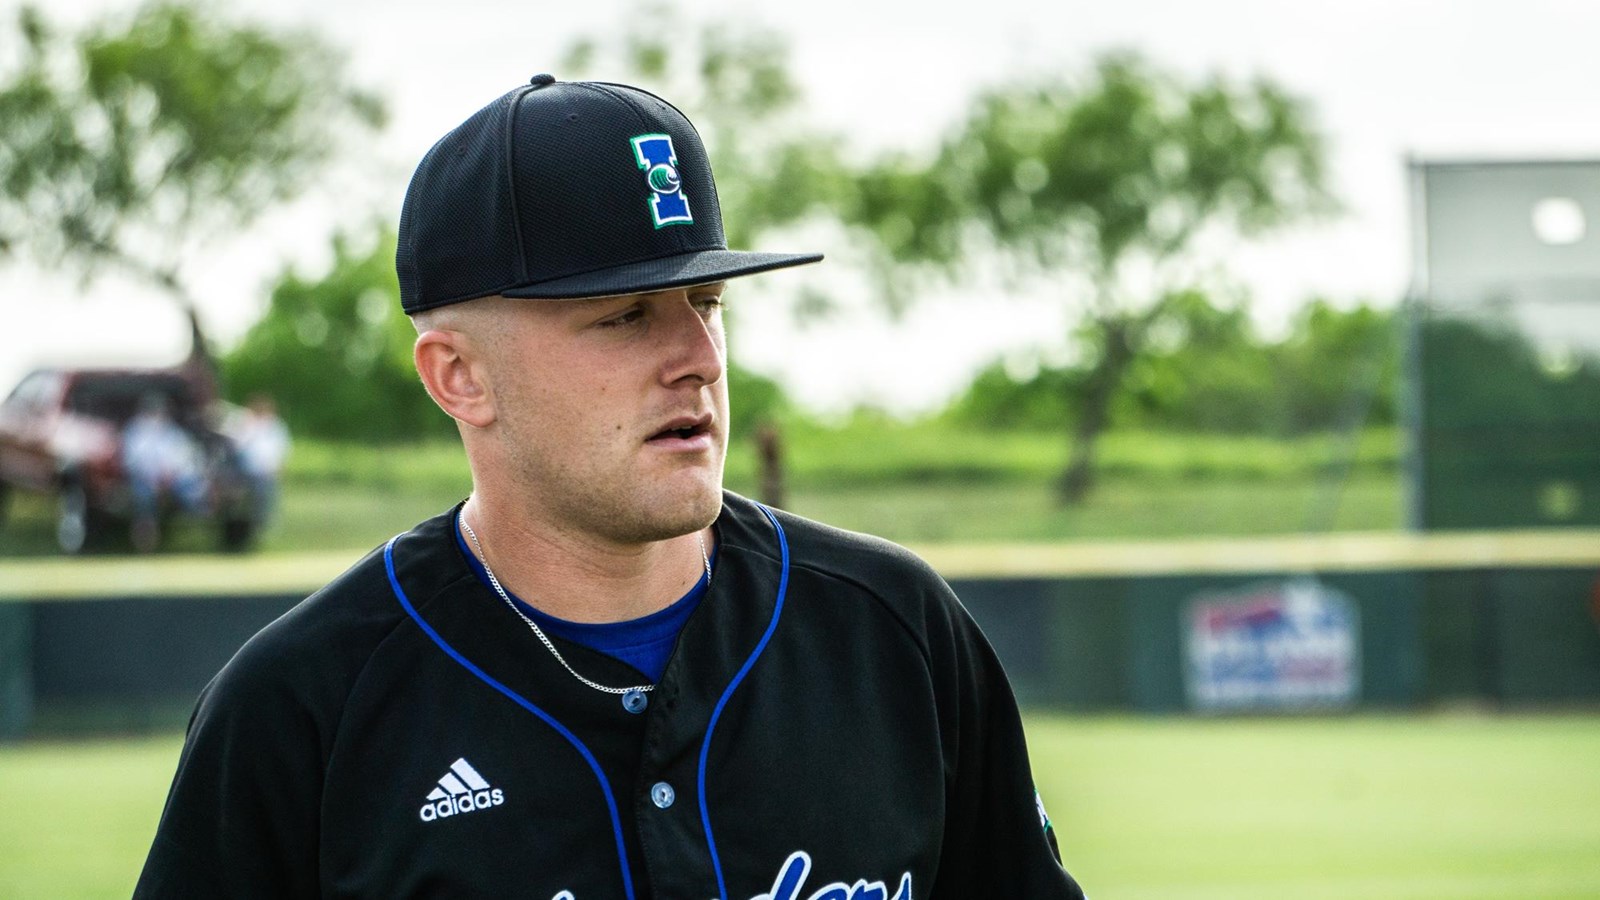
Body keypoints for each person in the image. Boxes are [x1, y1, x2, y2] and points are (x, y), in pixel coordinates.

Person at [136, 75, 1085, 899]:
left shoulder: (896, 631)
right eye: (626, 315)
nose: (699, 358)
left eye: (706, 302)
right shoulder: (300, 708)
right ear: (459, 377)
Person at [121, 393, 208, 553]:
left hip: (173, 479)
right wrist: (153, 478)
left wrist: (171, 474)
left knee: (195, 492)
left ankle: (198, 537)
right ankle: (146, 543)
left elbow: (182, 457)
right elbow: (133, 461)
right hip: (144, 480)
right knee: (144, 498)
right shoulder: (135, 432)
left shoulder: (173, 432)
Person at [229, 392, 291, 523]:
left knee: (265, 495)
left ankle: (261, 520)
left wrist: (279, 465)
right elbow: (236, 445)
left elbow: (282, 447)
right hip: (245, 468)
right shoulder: (244, 423)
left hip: (267, 469)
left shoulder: (276, 426)